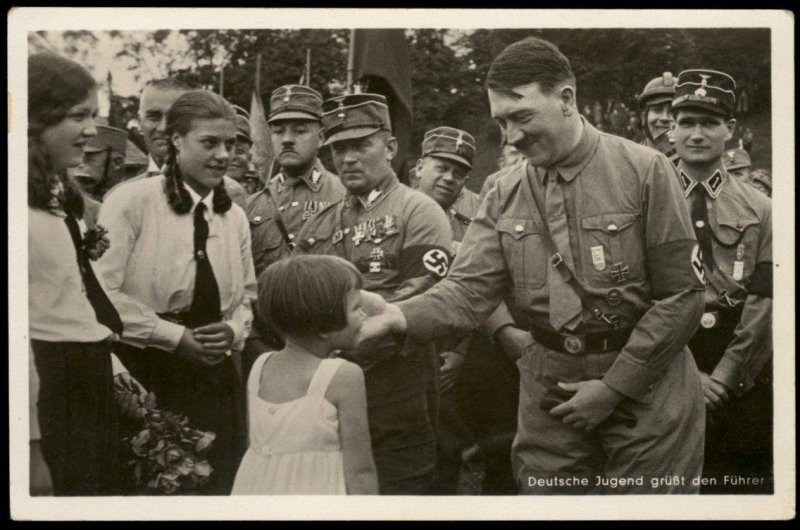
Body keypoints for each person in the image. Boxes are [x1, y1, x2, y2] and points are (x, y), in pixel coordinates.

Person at [358, 37, 706, 494]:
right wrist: (400, 315)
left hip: (648, 391)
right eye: (502, 122)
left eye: (521, 116)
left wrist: (614, 388)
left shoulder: (646, 170)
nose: (511, 137)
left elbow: (683, 295)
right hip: (549, 391)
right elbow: (467, 290)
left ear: (566, 99)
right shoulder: (503, 191)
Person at [96, 90, 257, 494]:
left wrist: (233, 332)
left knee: (219, 484)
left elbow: (245, 297)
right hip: (147, 373)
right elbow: (100, 296)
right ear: (176, 142)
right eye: (209, 143)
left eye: (230, 144)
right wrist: (174, 337)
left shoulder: (233, 215)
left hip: (214, 378)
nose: (223, 155)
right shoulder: (131, 202)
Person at [295, 92, 453, 494]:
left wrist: (343, 337)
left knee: (400, 489)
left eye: (360, 146)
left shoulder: (419, 211)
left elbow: (424, 291)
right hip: (326, 386)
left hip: (396, 382)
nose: (347, 159)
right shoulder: (319, 225)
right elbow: (297, 296)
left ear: (390, 147)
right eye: (338, 148)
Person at [27, 53, 141, 496]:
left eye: (93, 116)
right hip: (52, 388)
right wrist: (31, 446)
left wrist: (108, 364)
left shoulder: (54, 198)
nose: (92, 132)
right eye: (79, 116)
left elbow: (68, 300)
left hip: (81, 380)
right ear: (36, 120)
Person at [671, 69, 773, 493]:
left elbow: (766, 300)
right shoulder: (642, 200)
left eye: (709, 122)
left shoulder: (762, 208)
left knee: (738, 484)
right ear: (672, 129)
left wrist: (728, 373)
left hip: (739, 366)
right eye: (687, 122)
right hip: (666, 358)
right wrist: (686, 375)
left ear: (729, 130)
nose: (697, 134)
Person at [232, 256, 378, 495]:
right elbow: (360, 470)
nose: (363, 316)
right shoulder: (344, 376)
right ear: (323, 325)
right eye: (356, 308)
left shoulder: (260, 366)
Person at [242, 84, 345, 373]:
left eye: (299, 130)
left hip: (327, 353)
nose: (287, 140)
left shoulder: (344, 197)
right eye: (278, 131)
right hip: (265, 349)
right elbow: (240, 283)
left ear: (321, 136)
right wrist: (253, 346)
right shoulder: (253, 205)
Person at [104, 78, 248, 209]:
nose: (162, 128)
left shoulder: (227, 192)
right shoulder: (119, 196)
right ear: (140, 122)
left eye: (173, 117)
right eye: (153, 117)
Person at [70, 124, 128, 228]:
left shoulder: (131, 201)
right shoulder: (71, 204)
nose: (78, 164)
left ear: (117, 163)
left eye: (88, 158)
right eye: (78, 156)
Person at [637, 72, 679, 165]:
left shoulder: (696, 161)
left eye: (673, 111)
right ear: (644, 117)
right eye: (657, 110)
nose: (665, 118)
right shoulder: (632, 157)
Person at [227, 106, 253, 186]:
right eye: (227, 149)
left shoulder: (260, 197)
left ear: (250, 158)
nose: (233, 157)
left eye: (239, 151)